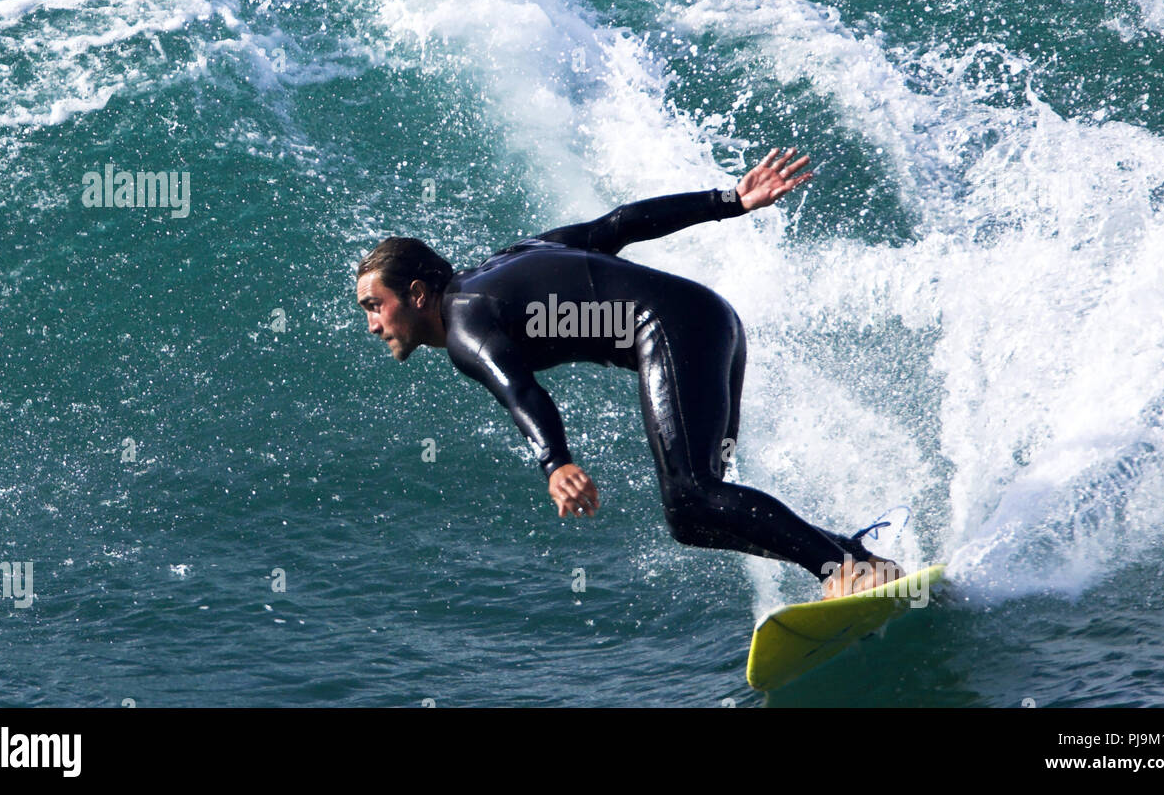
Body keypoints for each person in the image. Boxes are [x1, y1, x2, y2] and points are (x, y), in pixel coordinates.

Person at [356, 146, 902, 599]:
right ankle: (859, 560)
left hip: (673, 329)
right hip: (711, 320)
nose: (373, 324)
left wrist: (555, 462)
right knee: (692, 518)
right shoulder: (510, 260)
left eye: (373, 306)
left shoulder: (463, 323)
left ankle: (842, 570)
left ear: (417, 294)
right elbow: (618, 224)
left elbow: (518, 388)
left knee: (695, 491)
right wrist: (730, 200)